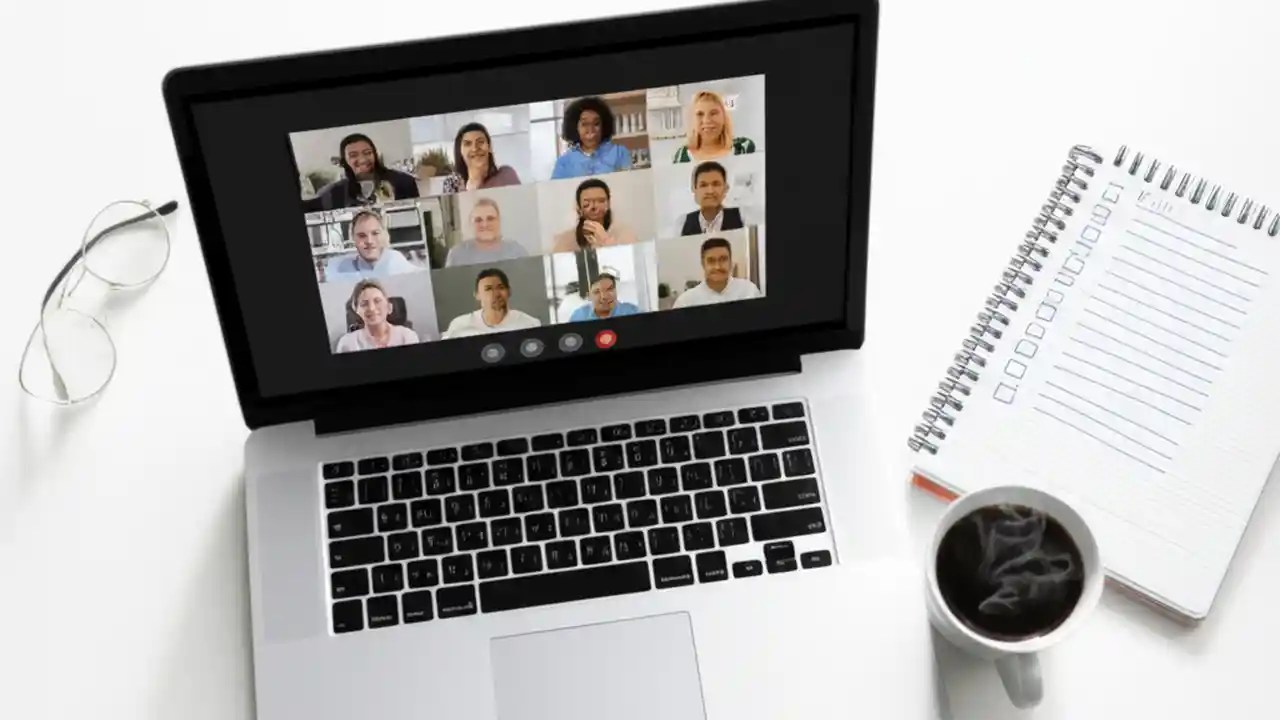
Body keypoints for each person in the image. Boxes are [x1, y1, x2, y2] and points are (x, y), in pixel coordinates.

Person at [304, 133, 420, 210]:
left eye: (367, 153)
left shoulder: (404, 182)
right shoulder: (334, 193)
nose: (363, 159)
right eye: (353, 155)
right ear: (345, 161)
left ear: (375, 154)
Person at [441, 268, 542, 338]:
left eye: (501, 287)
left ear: (509, 291)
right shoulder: (459, 326)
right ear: (477, 295)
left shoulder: (529, 324)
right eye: (488, 289)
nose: (496, 294)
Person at [551, 96, 633, 179]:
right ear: (575, 127)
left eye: (596, 124)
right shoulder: (564, 162)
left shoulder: (620, 153)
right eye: (584, 124)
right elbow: (555, 190)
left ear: (604, 126)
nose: (591, 130)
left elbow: (628, 184)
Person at [550, 178, 639, 253]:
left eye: (600, 201)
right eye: (587, 203)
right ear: (579, 207)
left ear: (608, 204)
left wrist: (606, 241)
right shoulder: (565, 240)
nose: (594, 207)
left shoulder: (625, 234)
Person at [325, 210, 419, 279]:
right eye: (362, 236)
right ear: (353, 239)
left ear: (384, 235)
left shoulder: (399, 264)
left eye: (375, 233)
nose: (369, 241)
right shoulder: (337, 270)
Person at [672, 236, 762, 308]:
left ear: (731, 262)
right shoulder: (685, 302)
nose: (717, 266)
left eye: (723, 259)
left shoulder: (750, 291)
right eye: (711, 261)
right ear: (703, 264)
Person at [671, 90, 756, 164]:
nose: (707, 120)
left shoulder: (743, 147)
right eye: (700, 114)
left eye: (713, 113)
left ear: (724, 117)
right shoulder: (682, 155)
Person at [335, 279, 421, 352]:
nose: (371, 308)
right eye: (364, 304)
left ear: (389, 307)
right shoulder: (346, 343)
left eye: (377, 301)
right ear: (356, 311)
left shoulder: (407, 336)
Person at [445, 198, 530, 267]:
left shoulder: (517, 252)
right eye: (478, 220)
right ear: (471, 224)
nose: (485, 225)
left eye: (490, 219)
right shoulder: (456, 255)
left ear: (499, 221)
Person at [441, 123, 521, 194]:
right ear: (460, 151)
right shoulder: (452, 183)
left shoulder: (506, 175)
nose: (475, 148)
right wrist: (473, 184)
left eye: (480, 142)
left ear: (489, 147)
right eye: (468, 144)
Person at [680, 161, 745, 236]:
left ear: (726, 188)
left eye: (716, 184)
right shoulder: (682, 223)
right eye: (703, 185)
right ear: (694, 189)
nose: (710, 191)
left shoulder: (742, 218)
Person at [569, 272, 641, 321]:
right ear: (589, 296)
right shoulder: (579, 316)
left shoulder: (632, 312)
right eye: (597, 292)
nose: (604, 296)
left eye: (609, 289)